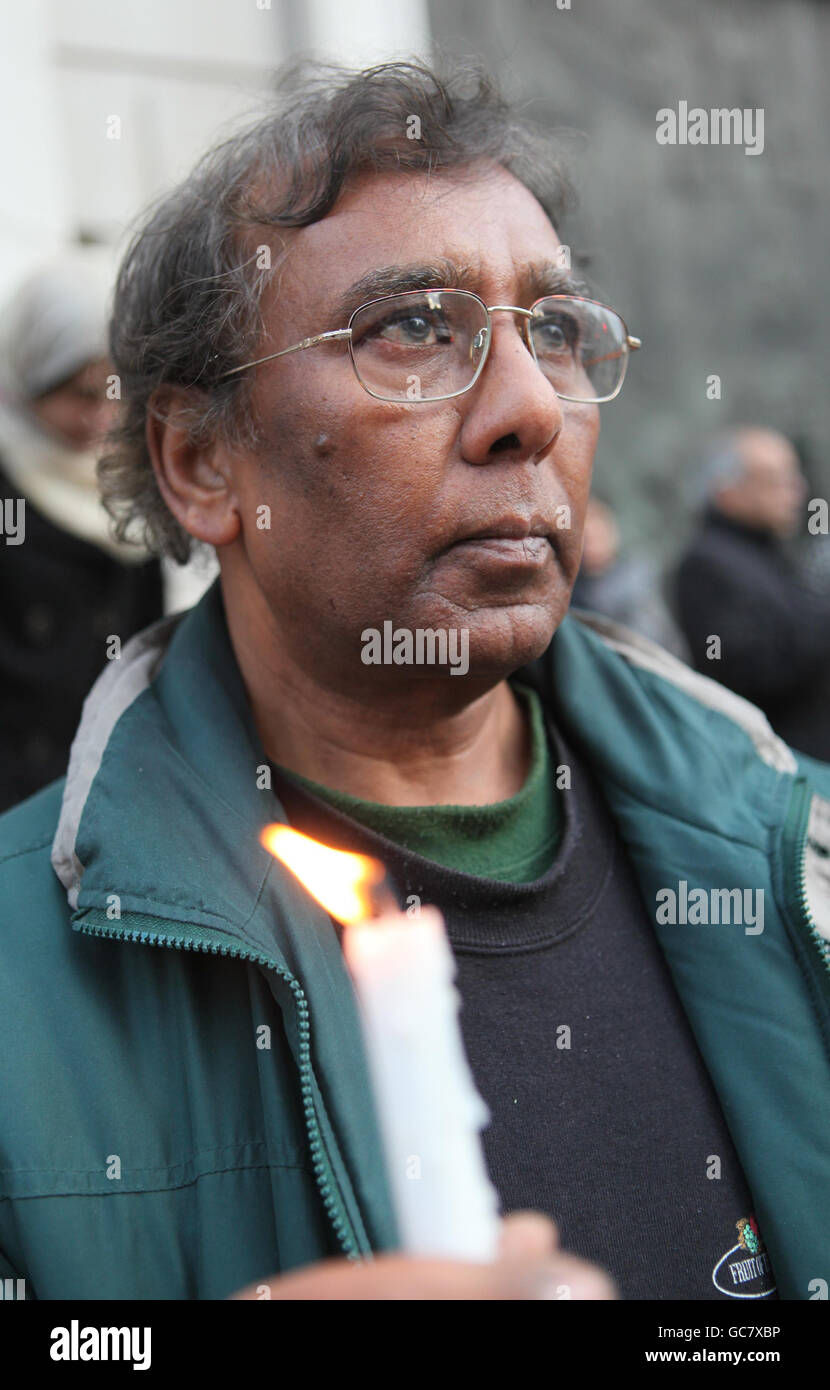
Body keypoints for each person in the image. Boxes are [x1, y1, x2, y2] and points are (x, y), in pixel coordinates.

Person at [0, 60, 827, 1303]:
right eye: (410, 330)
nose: (528, 412)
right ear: (199, 462)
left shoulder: (795, 855)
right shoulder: (26, 994)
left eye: (553, 330)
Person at [0, 253, 164, 811]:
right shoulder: (11, 490)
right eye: (80, 394)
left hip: (116, 787)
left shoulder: (138, 476)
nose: (102, 417)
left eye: (116, 390)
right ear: (27, 387)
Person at [674, 427, 830, 761]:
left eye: (794, 476)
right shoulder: (706, 564)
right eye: (776, 479)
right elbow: (751, 672)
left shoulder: (764, 553)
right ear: (725, 489)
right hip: (777, 763)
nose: (796, 490)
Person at [571, 495, 689, 657]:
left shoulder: (638, 578)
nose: (591, 544)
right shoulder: (573, 592)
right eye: (586, 538)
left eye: (596, 535)